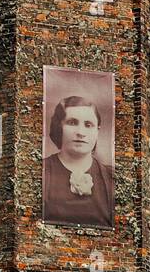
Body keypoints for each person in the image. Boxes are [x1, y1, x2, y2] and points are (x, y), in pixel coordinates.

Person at [43, 95, 113, 227]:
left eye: (88, 125)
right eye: (72, 123)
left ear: (97, 131)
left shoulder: (111, 177)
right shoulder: (41, 171)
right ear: (59, 127)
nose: (81, 132)